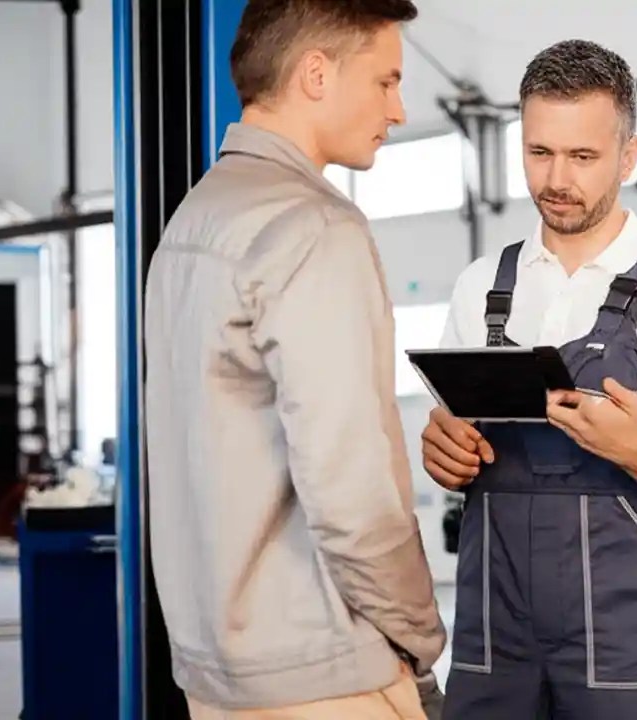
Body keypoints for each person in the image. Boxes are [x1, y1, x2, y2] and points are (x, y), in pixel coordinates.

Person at [424, 39, 637, 719]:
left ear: (628, 156)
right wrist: (442, 452)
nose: (556, 178)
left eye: (583, 156)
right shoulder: (482, 286)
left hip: (627, 636)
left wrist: (626, 444)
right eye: (539, 153)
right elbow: (451, 444)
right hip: (493, 630)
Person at [143, 1, 446, 718]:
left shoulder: (192, 223)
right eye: (385, 80)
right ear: (316, 74)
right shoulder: (312, 226)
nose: (398, 109)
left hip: (215, 669)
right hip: (325, 674)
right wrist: (419, 636)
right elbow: (351, 488)